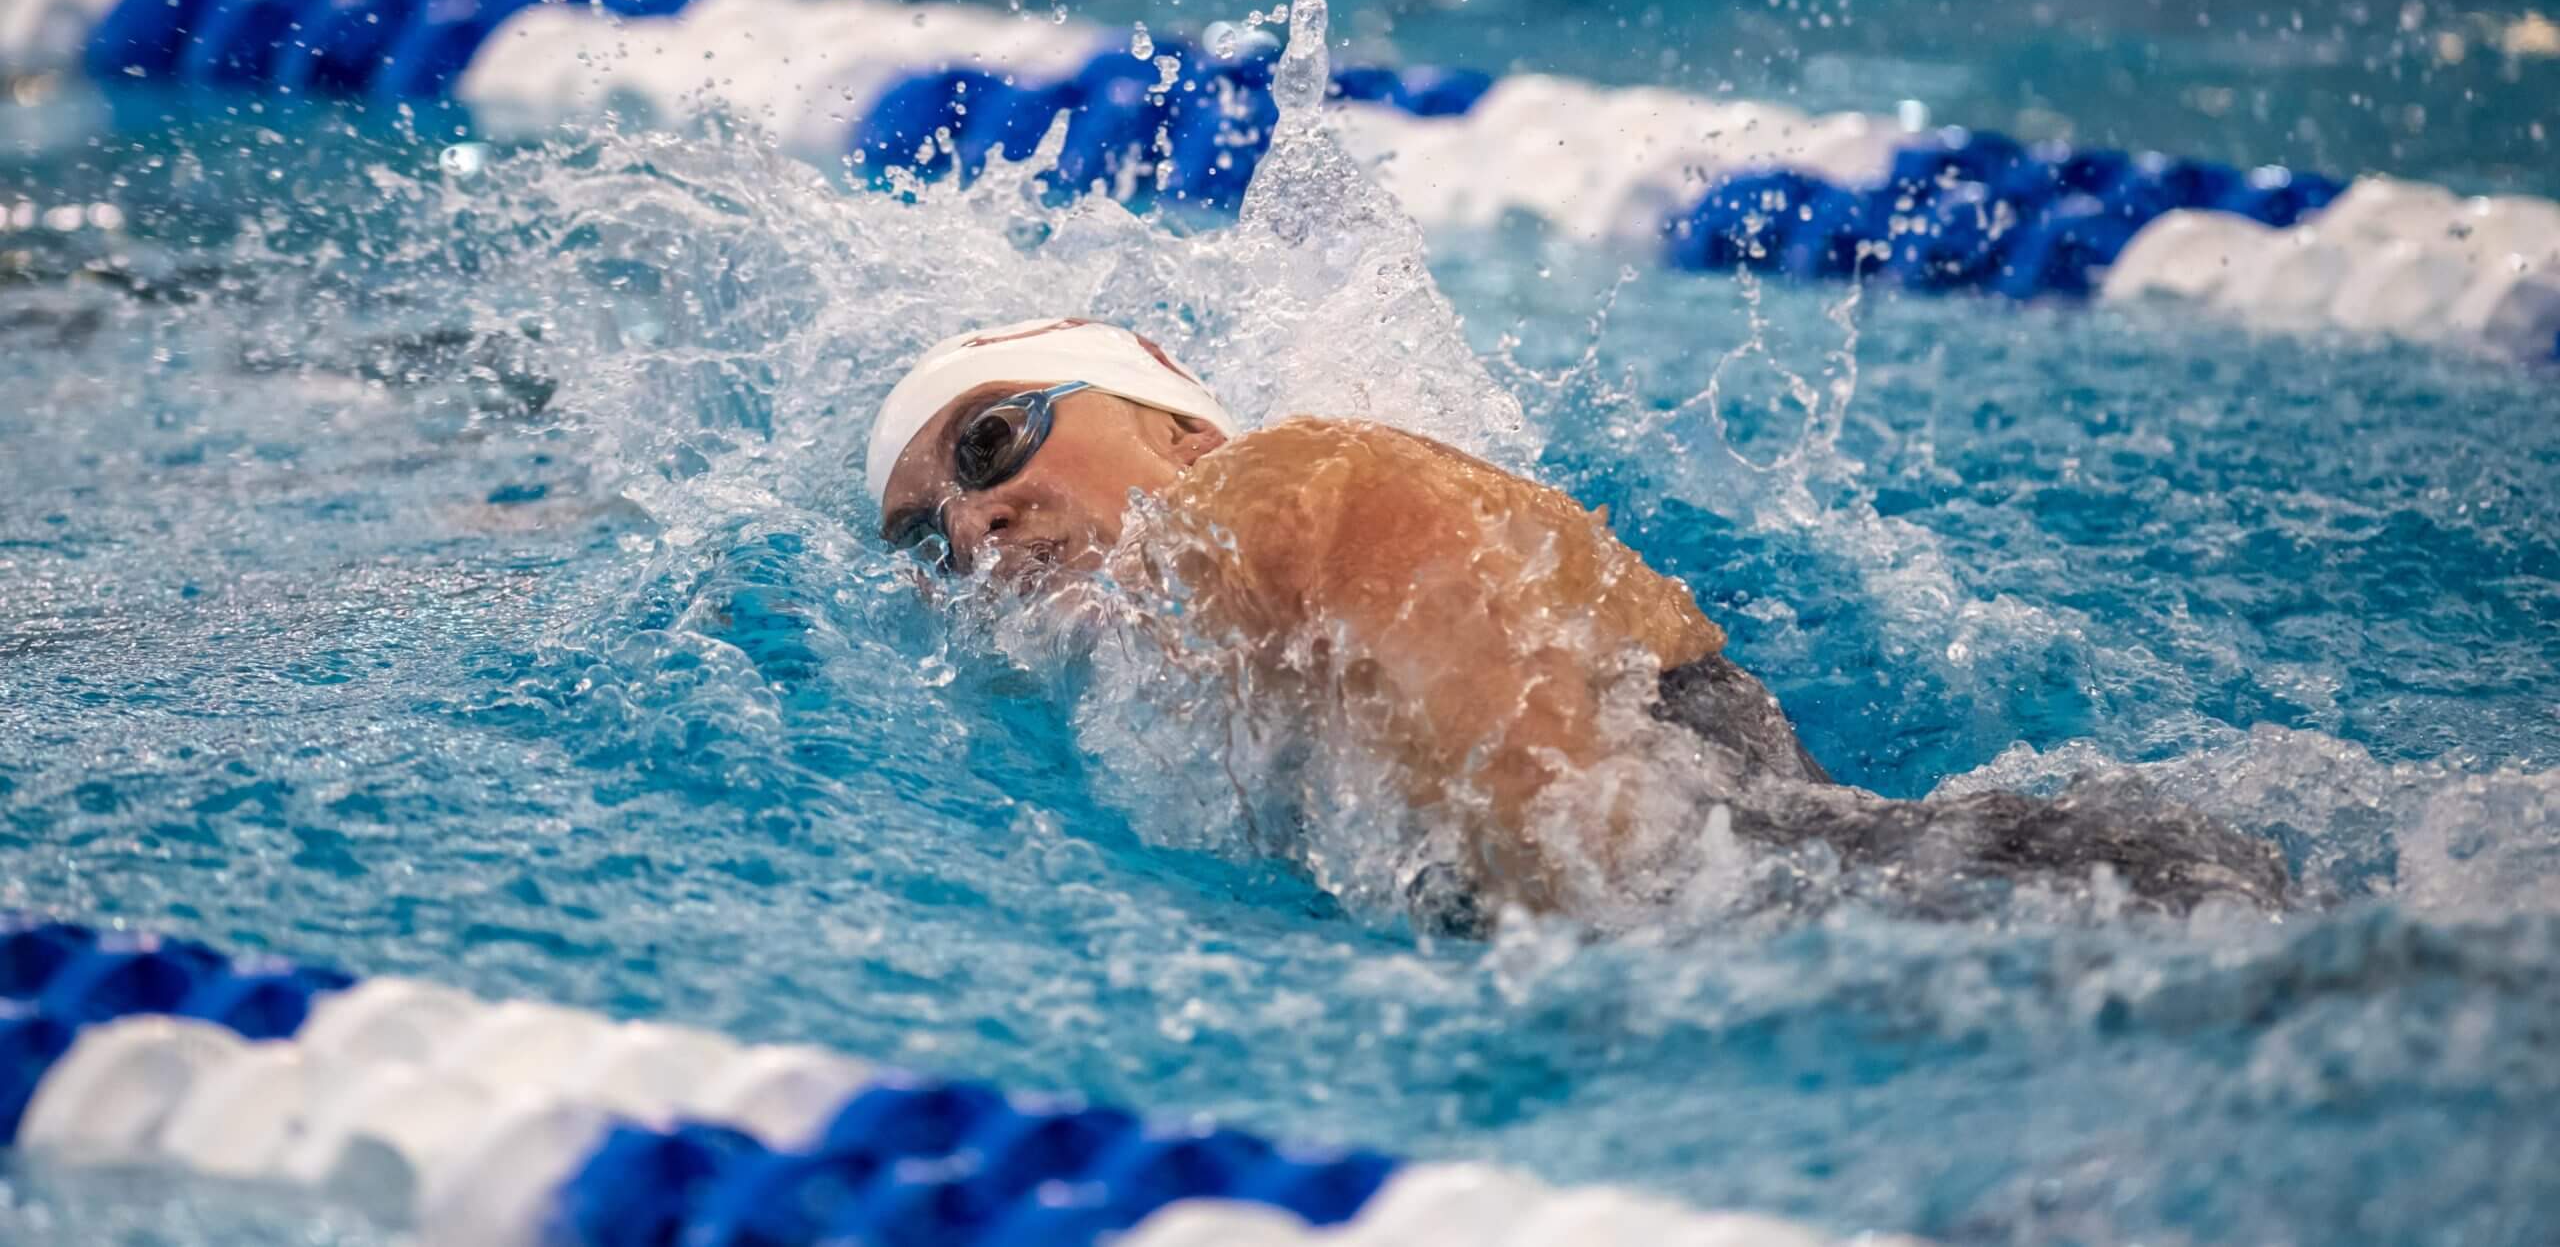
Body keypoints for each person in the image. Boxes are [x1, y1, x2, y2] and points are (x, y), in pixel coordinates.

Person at [869, 316, 2288, 928]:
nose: (973, 526)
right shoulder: (1213, 655)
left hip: (1976, 904)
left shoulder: (1276, 486)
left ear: (1176, 421)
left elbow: (1576, 849)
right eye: (928, 538)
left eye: (989, 444)